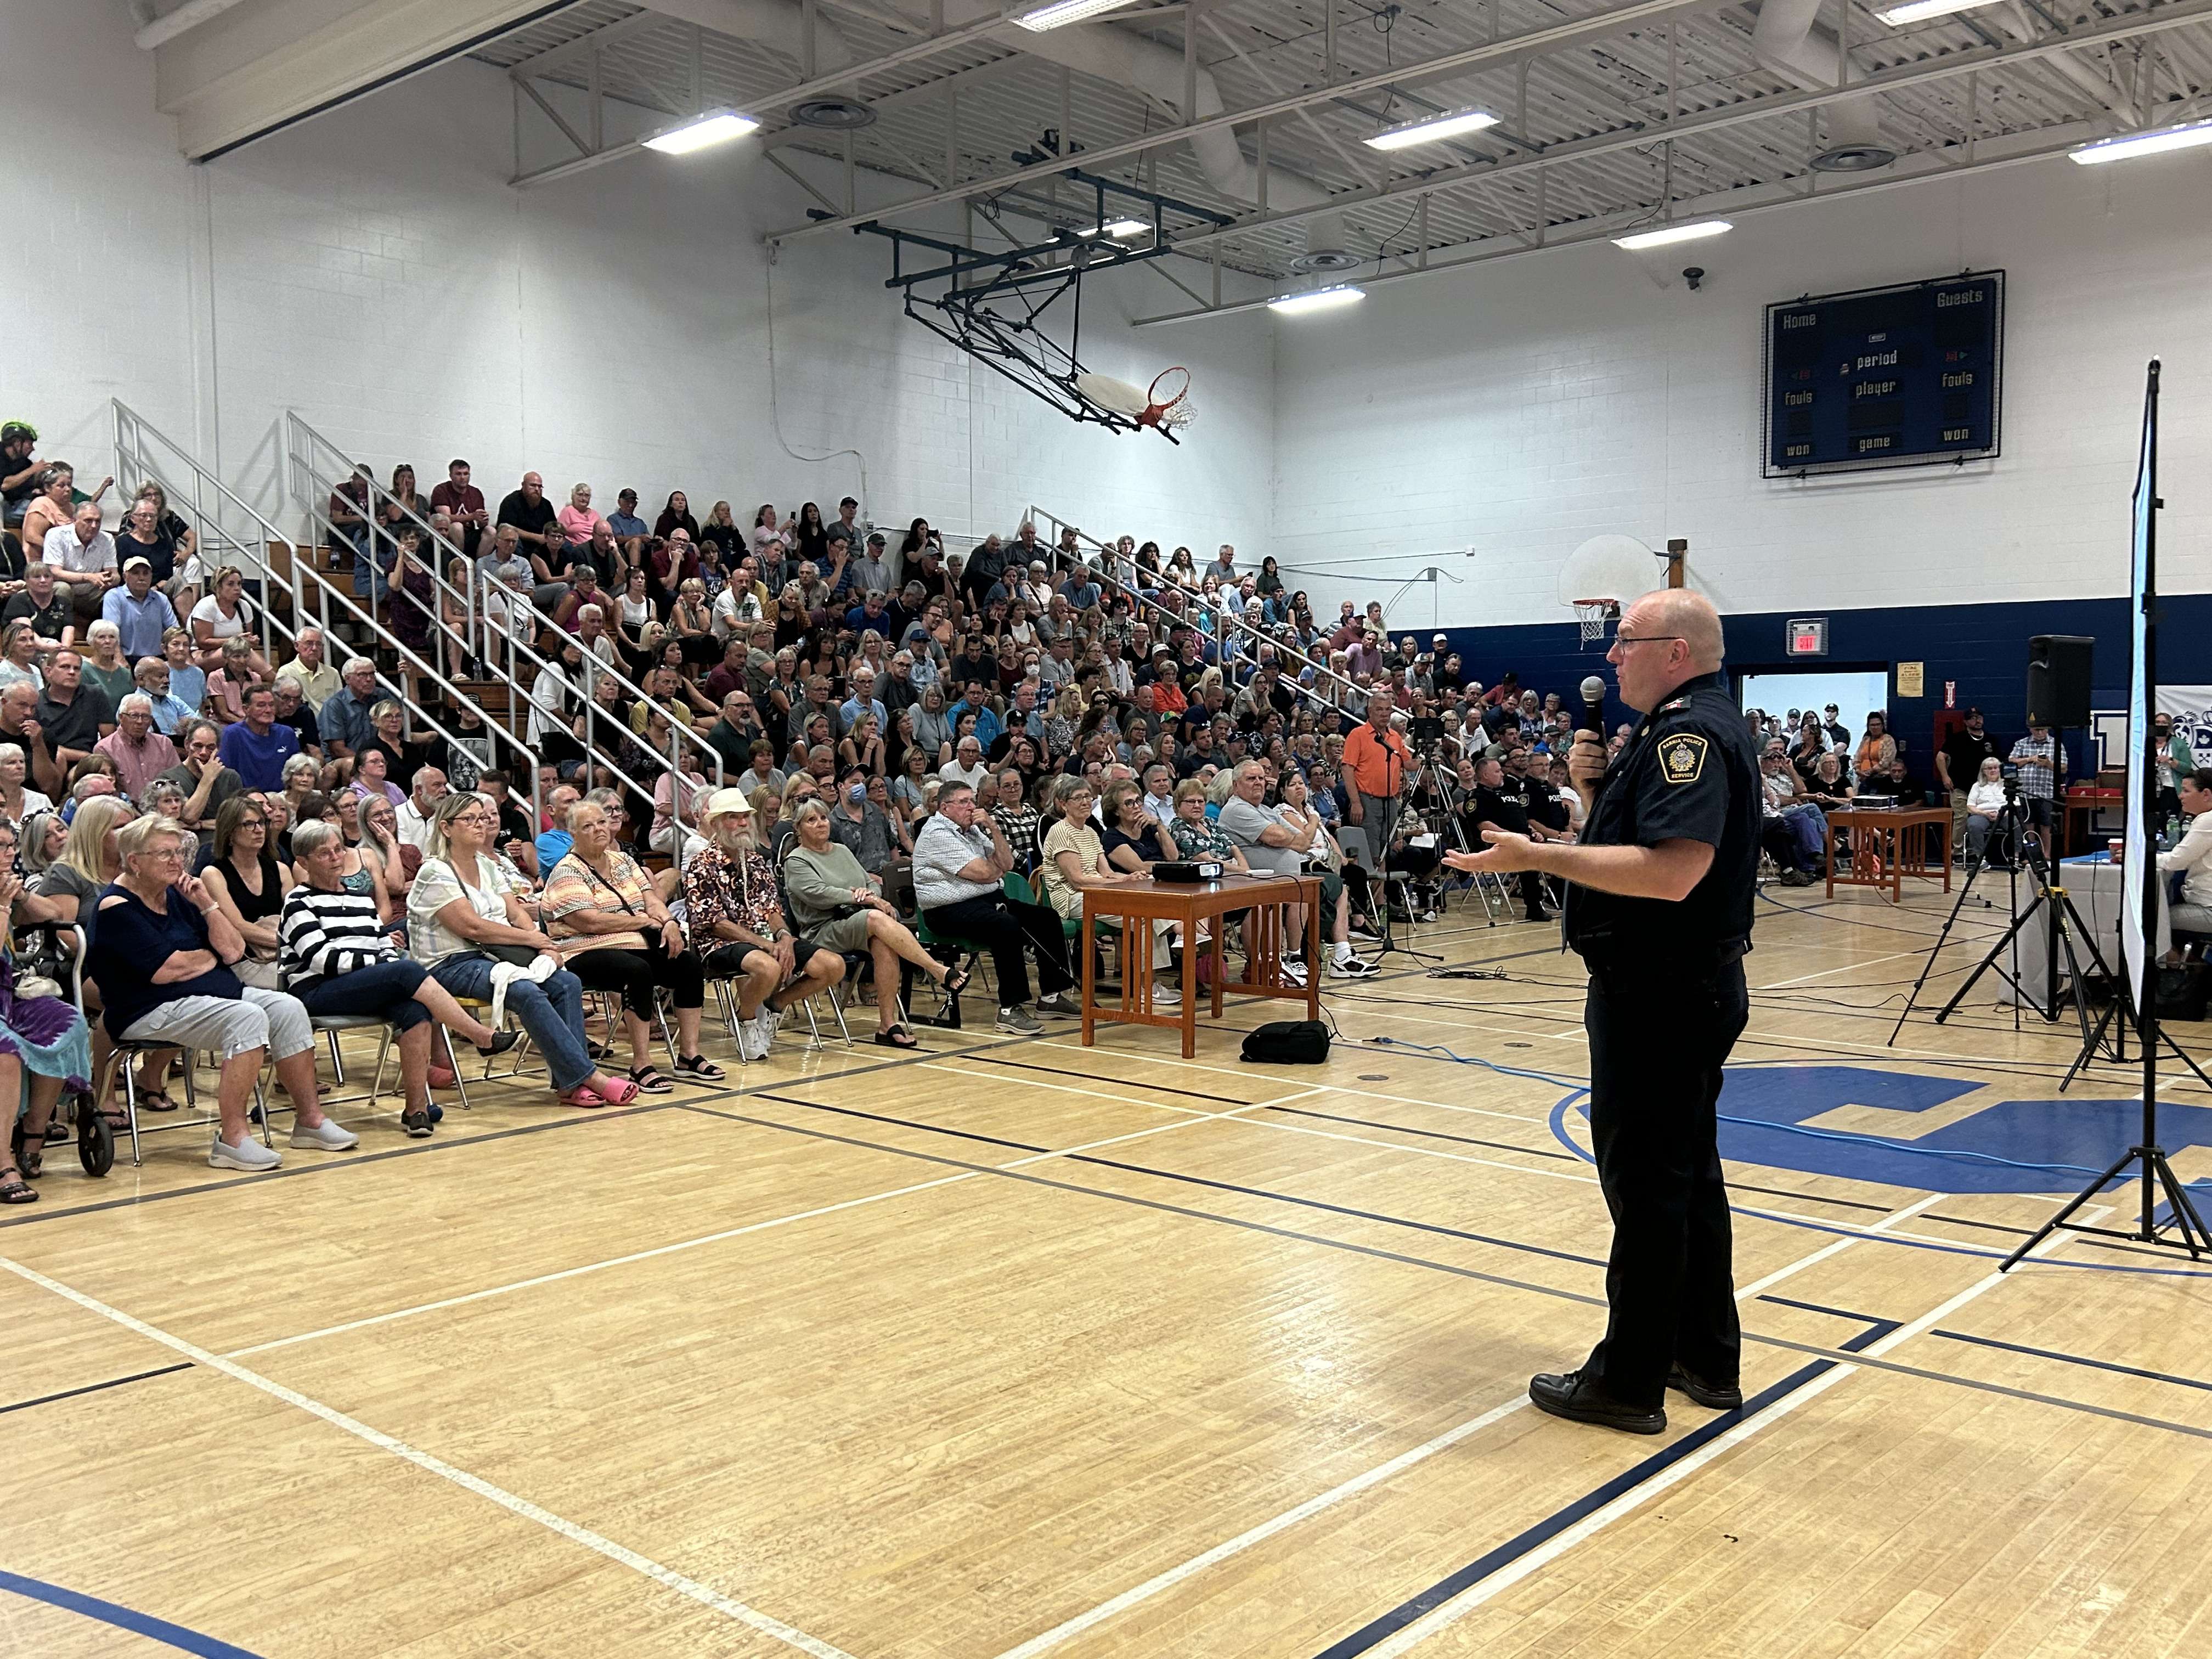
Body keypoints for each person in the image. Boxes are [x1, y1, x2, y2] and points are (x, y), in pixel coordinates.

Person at [1444, 588, 1759, 1436]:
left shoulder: (1689, 734)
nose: (1611, 656)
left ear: (1677, 653)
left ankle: (1628, 1379)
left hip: (1658, 989)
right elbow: (1643, 844)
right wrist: (1589, 794)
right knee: (1687, 1177)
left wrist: (1542, 855)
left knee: (1648, 1185)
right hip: (1682, 983)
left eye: (1627, 642)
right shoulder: (1685, 725)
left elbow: (1671, 873)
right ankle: (1704, 1352)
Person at [86, 814, 359, 1170]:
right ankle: (232, 1138)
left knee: (288, 1007)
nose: (177, 861)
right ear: (135, 862)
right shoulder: (115, 908)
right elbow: (168, 971)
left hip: (210, 995)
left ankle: (310, 1121)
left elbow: (231, 951)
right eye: (165, 854)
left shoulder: (180, 894)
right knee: (247, 1017)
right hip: (146, 1009)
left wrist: (207, 904)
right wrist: (206, 957)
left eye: (178, 853)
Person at [280, 820, 521, 1138]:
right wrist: (381, 966)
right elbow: (323, 960)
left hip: (364, 983)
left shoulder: (361, 900)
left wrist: (384, 965)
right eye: (324, 853)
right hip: (315, 990)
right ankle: (480, 1035)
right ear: (303, 862)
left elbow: (384, 946)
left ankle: (416, 1110)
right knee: (405, 971)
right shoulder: (299, 901)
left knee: (415, 1010)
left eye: (339, 849)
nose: (336, 857)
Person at [408, 793, 635, 1108]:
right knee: (525, 990)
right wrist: (534, 942)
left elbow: (516, 914)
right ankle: (590, 1078)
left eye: (483, 818)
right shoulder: (434, 871)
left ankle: (567, 1084)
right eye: (470, 819)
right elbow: (472, 928)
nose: (480, 824)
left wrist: (545, 947)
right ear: (446, 828)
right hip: (449, 963)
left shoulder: (487, 865)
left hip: (497, 954)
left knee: (567, 982)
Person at [540, 800, 720, 1088]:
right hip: (583, 950)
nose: (599, 829)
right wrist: (643, 923)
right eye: (588, 826)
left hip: (635, 943)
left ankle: (689, 1054)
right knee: (636, 970)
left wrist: (669, 923)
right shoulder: (567, 871)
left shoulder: (624, 861)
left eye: (601, 822)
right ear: (574, 833)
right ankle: (641, 1064)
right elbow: (589, 922)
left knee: (687, 964)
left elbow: (651, 900)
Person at [779, 798, 962, 1048]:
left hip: (857, 920)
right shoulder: (796, 860)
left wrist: (872, 895)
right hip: (823, 930)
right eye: (812, 820)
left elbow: (869, 880)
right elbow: (818, 894)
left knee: (882, 942)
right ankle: (937, 970)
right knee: (876, 918)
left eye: (823, 818)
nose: (821, 824)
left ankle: (888, 1025)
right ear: (798, 829)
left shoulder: (841, 851)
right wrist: (862, 898)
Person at [681, 791, 843, 1060]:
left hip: (762, 937)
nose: (744, 823)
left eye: (746, 817)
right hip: (719, 943)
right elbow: (716, 923)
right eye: (735, 818)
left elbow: (771, 908)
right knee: (769, 966)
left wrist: (783, 937)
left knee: (832, 966)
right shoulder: (703, 864)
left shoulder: (755, 861)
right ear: (718, 823)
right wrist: (766, 944)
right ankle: (745, 1021)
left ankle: (774, 1004)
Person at [911, 780, 1077, 1034]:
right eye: (964, 802)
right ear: (945, 808)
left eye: (972, 801)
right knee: (1005, 925)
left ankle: (1051, 998)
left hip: (986, 901)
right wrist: (994, 868)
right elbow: (983, 873)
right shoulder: (937, 834)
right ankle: (1010, 1009)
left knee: (1046, 918)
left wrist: (993, 827)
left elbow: (1007, 863)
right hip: (946, 910)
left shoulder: (973, 830)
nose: (971, 807)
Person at [0, 816, 95, 1202]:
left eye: (10, 847)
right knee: (5, 1055)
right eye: (1, 848)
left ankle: (34, 1133)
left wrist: (20, 897)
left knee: (67, 1022)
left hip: (7, 992)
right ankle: (2, 1158)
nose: (9, 855)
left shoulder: (8, 886)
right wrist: (6, 905)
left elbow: (53, 915)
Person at [1216, 760, 1375, 979]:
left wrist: (1297, 836)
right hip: (1256, 881)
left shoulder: (1264, 810)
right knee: (1296, 892)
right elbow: (1283, 837)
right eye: (1251, 779)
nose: (1259, 783)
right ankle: (1282, 960)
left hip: (1288, 877)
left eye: (1261, 778)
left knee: (1337, 887)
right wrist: (1309, 824)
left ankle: (1339, 955)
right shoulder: (1236, 809)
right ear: (1236, 786)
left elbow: (1301, 842)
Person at [198, 796, 291, 989]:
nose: (259, 830)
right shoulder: (214, 874)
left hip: (283, 954)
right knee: (298, 982)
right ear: (230, 833)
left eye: (261, 823)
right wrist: (288, 943)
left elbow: (295, 918)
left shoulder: (280, 869)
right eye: (249, 824)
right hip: (246, 959)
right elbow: (238, 926)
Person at [1938, 707, 2002, 851]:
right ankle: (1958, 851)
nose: (1977, 720)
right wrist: (1945, 777)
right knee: (1961, 818)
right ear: (1966, 722)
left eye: (1979, 717)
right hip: (1961, 786)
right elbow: (1941, 757)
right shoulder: (1957, 738)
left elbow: (1998, 763)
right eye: (1973, 718)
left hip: (1983, 789)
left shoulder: (1991, 740)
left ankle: (1975, 851)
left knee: (1978, 820)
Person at [1963, 757, 2010, 865]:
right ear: (1983, 771)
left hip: (2004, 814)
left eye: (1995, 768)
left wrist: (2002, 814)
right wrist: (1984, 813)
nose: (1993, 771)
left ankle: (2015, 858)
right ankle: (1980, 858)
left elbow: (2017, 805)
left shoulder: (2007, 784)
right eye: (1989, 768)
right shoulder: (1977, 786)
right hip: (1982, 814)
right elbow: (1970, 807)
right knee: (1974, 825)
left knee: (2017, 824)